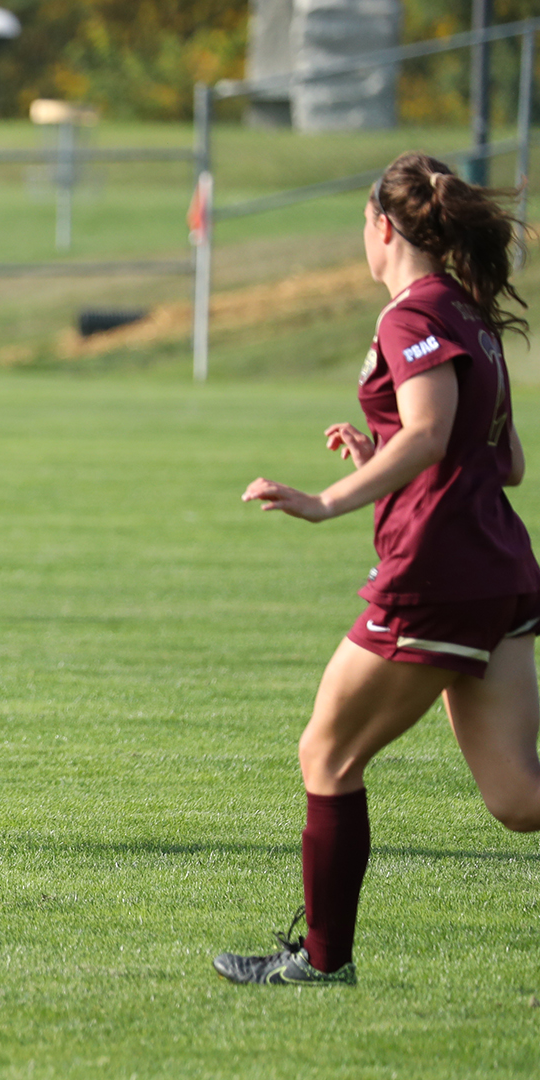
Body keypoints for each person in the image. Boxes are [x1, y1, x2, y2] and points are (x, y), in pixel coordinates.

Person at [217, 152, 540, 986]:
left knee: (325, 755)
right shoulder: (469, 315)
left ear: (382, 227)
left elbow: (434, 436)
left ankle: (324, 964)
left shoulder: (413, 315)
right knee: (517, 799)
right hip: (500, 570)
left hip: (438, 575)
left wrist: (330, 498)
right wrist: (385, 452)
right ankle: (324, 959)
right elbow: (502, 464)